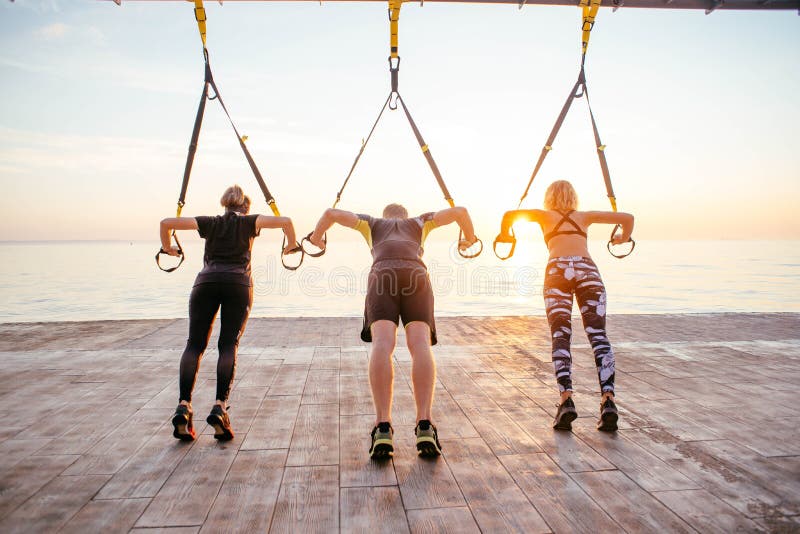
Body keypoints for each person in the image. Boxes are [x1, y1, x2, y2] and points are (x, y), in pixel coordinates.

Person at [307, 203, 478, 458]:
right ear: (404, 216)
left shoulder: (372, 223)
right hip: (415, 274)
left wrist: (316, 238)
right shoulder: (420, 222)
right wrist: (469, 239)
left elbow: (330, 213)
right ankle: (425, 424)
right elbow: (461, 212)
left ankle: (383, 426)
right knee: (420, 345)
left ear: (385, 216)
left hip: (382, 274)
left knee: (382, 345)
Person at [160, 185, 298, 441]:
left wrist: (168, 247)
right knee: (227, 345)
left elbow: (166, 223)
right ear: (245, 207)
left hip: (206, 282)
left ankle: (183, 406)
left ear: (225, 205)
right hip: (238, 284)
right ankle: (220, 407)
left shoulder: (210, 222)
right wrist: (290, 245)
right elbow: (286, 221)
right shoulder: (249, 222)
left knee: (194, 345)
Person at [496, 180, 633, 432]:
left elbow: (509, 215)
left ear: (548, 198)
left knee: (560, 335)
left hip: (557, 271)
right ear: (573, 197)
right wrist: (621, 238)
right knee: (598, 336)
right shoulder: (584, 216)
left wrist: (505, 235)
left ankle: (566, 399)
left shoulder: (544, 215)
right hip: (587, 271)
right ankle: (608, 401)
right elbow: (627, 218)